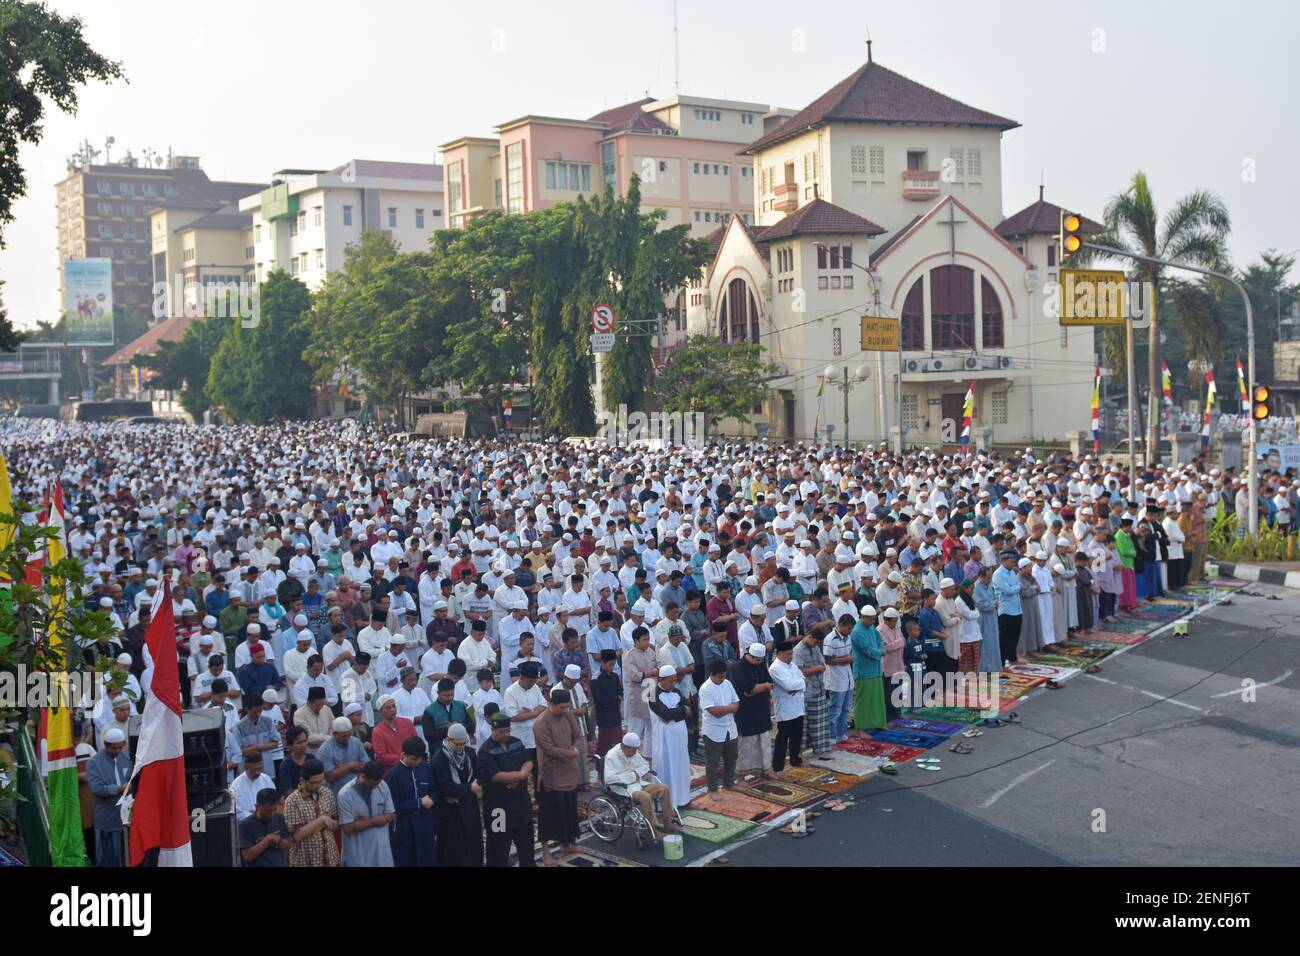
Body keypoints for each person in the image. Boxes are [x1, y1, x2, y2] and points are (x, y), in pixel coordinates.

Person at [478, 710, 537, 867]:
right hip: (499, 808)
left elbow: (528, 761)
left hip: (520, 802)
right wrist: (520, 776)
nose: (505, 735)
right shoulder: (486, 750)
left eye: (507, 731)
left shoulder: (516, 742)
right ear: (493, 730)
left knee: (526, 842)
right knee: (499, 845)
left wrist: (522, 773)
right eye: (501, 732)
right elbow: (496, 776)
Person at [533, 686, 583, 865]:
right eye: (561, 707)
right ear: (550, 704)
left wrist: (574, 747)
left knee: (569, 810)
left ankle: (567, 843)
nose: (564, 711)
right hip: (551, 774)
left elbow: (577, 735)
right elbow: (549, 750)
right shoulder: (540, 722)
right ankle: (546, 853)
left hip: (569, 771)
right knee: (549, 815)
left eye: (566, 707)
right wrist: (571, 753)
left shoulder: (567, 714)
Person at [603, 732, 680, 841]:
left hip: (638, 784)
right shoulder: (611, 756)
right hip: (623, 789)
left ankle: (667, 823)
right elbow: (610, 779)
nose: (635, 753)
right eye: (633, 750)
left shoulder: (633, 752)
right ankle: (653, 829)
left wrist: (636, 775)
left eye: (636, 750)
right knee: (645, 797)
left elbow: (645, 766)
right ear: (625, 747)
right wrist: (633, 776)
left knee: (664, 789)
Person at [428, 722, 483, 866]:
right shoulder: (439, 759)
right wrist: (470, 788)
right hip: (450, 811)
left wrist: (466, 789)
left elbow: (478, 775)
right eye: (457, 744)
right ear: (449, 740)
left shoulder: (469, 753)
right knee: (453, 848)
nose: (460, 747)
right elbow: (447, 789)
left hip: (469, 807)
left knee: (472, 843)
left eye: (463, 743)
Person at [386, 736, 439, 866]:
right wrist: (419, 803)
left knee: (427, 857)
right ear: (403, 754)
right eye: (414, 759)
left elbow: (435, 791)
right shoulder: (393, 774)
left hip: (425, 822)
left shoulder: (425, 768)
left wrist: (432, 799)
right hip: (405, 825)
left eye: (421, 758)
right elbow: (394, 805)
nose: (418, 762)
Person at [283, 758, 341, 867]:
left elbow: (336, 823)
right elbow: (296, 836)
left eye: (321, 781)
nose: (318, 785)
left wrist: (331, 824)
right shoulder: (292, 800)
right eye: (314, 782)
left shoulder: (327, 793)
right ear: (302, 780)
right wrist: (321, 820)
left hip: (330, 857)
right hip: (305, 859)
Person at [85, 727, 130, 867]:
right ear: (106, 745)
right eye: (113, 748)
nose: (117, 751)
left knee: (128, 855)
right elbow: (97, 788)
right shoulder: (94, 763)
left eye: (119, 747)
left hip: (128, 817)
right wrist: (119, 789)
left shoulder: (127, 756)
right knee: (108, 859)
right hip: (107, 819)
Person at [648, 664, 691, 807]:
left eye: (675, 681)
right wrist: (681, 711)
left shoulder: (678, 692)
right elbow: (664, 714)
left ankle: (682, 799)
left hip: (679, 736)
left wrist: (676, 713)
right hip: (664, 738)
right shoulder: (653, 695)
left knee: (680, 765)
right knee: (665, 766)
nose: (674, 684)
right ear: (662, 679)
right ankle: (664, 804)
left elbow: (688, 710)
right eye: (670, 681)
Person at [731, 642, 774, 778]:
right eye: (756, 659)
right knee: (747, 742)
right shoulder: (739, 667)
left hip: (761, 707)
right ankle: (742, 773)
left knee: (764, 740)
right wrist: (763, 687)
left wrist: (760, 688)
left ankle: (765, 769)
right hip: (746, 710)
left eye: (761, 660)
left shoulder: (761, 664)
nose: (759, 662)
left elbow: (769, 682)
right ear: (749, 655)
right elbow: (748, 689)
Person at [697, 658, 740, 795]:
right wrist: (730, 708)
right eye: (720, 676)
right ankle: (713, 789)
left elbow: (736, 702)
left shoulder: (727, 683)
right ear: (712, 674)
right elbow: (714, 712)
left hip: (730, 728)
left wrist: (729, 708)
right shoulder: (705, 689)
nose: (723, 678)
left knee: (731, 757)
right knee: (713, 762)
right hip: (713, 730)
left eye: (724, 675)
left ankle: (729, 783)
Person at [793, 621, 831, 758]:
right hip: (806, 693)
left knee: (819, 724)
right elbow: (798, 671)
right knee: (805, 726)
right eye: (815, 642)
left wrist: (819, 668)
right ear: (809, 637)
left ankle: (819, 748)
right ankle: (799, 752)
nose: (816, 645)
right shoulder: (798, 650)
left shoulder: (814, 647)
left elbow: (823, 664)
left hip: (818, 689)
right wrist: (816, 669)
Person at [850, 605, 886, 732]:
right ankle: (860, 729)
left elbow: (880, 640)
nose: (873, 622)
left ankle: (877, 722)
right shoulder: (856, 631)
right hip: (863, 671)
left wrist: (881, 648)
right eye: (871, 619)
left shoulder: (871, 627)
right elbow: (866, 650)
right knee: (862, 701)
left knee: (876, 699)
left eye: (873, 619)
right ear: (863, 617)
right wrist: (880, 652)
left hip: (875, 669)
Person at [822, 614, 856, 744]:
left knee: (846, 708)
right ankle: (832, 736)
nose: (850, 631)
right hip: (835, 679)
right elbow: (827, 660)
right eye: (848, 628)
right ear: (840, 625)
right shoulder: (830, 639)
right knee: (835, 710)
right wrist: (845, 660)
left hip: (847, 676)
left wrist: (847, 660)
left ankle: (841, 733)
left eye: (851, 629)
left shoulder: (848, 637)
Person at [239, 787, 292, 867]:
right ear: (257, 806)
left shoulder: (278, 818)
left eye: (275, 809)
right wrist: (268, 839)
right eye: (268, 811)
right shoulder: (246, 825)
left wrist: (275, 842)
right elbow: (247, 856)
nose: (272, 813)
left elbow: (288, 844)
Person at [320, 716, 369, 799]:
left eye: (349, 734)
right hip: (337, 793)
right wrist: (351, 766)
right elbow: (329, 776)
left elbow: (367, 766)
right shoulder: (325, 749)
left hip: (359, 790)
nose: (347, 738)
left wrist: (341, 769)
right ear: (334, 734)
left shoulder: (356, 742)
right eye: (343, 736)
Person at [591, 647, 625, 759]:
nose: (613, 666)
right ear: (602, 663)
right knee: (604, 746)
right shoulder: (596, 678)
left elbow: (620, 692)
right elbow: (599, 700)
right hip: (604, 717)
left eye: (614, 664)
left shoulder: (615, 676)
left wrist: (614, 698)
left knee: (617, 745)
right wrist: (614, 699)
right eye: (610, 664)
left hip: (615, 715)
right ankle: (601, 770)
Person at [372, 694, 419, 769]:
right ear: (380, 712)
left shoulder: (407, 723)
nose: (392, 709)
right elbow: (382, 756)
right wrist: (403, 759)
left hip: (413, 765)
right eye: (388, 708)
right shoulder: (377, 731)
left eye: (394, 706)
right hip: (392, 770)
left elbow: (417, 743)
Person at [232, 751, 277, 821]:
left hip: (268, 819)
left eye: (259, 769)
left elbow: (273, 802)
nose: (257, 772)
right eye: (254, 770)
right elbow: (237, 813)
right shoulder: (236, 785)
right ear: (245, 767)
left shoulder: (266, 779)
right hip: (247, 824)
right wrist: (256, 815)